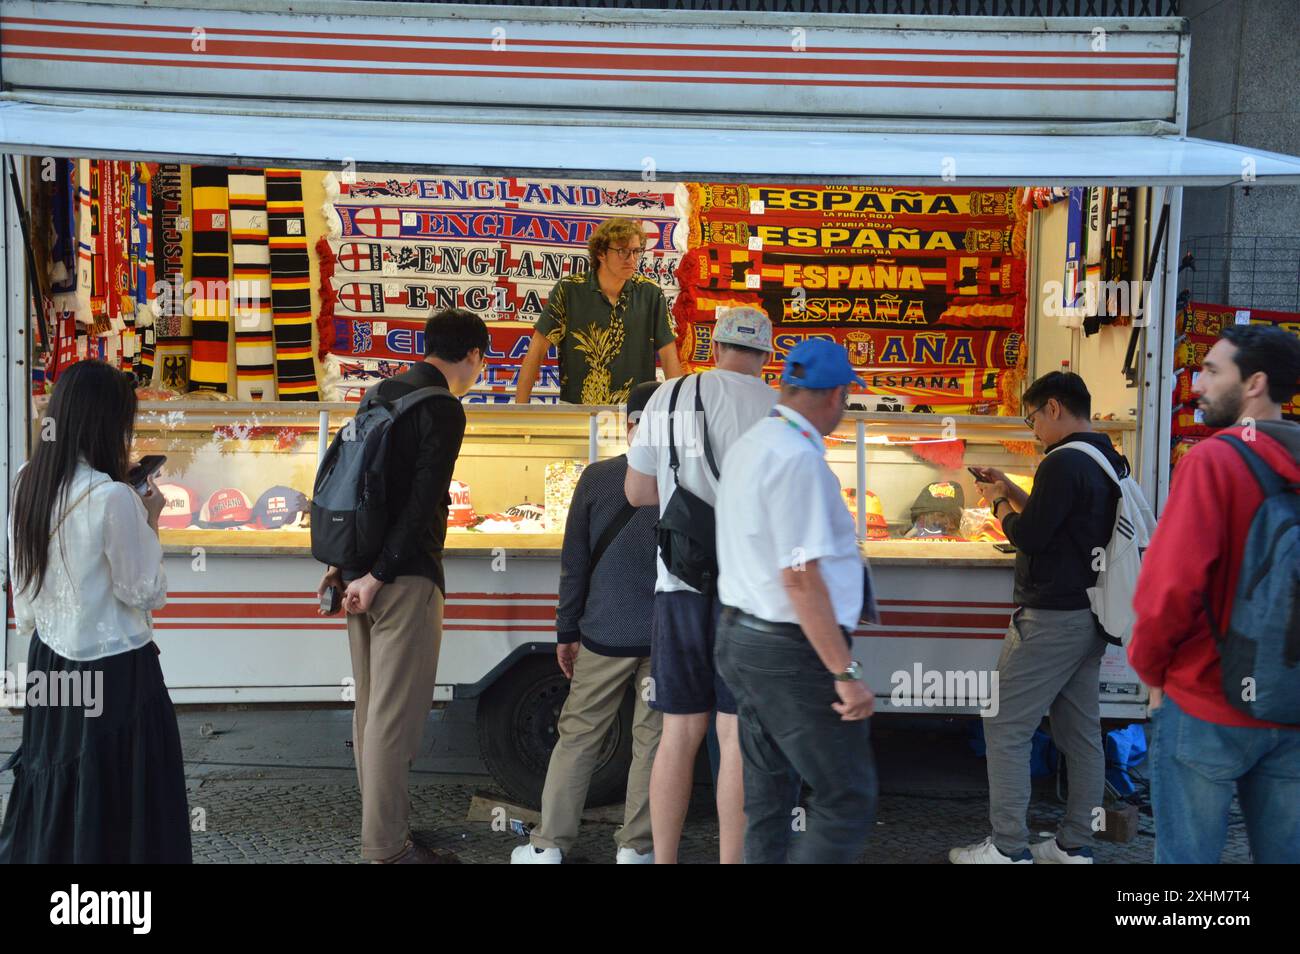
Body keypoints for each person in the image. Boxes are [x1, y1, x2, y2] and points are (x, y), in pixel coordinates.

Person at [0, 360, 191, 863]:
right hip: (115, 670)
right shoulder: (113, 498)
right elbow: (146, 591)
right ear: (109, 424)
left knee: (54, 770)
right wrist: (150, 520)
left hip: (49, 660)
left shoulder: (26, 480)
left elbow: (22, 582)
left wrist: (35, 625)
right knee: (117, 787)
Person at [317, 308, 488, 864]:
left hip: (358, 576)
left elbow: (350, 481)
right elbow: (420, 506)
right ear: (473, 356)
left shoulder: (383, 394)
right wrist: (382, 573)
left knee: (370, 711)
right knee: (394, 719)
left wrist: (349, 568)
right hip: (402, 580)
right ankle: (386, 849)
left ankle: (386, 833)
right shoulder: (443, 408)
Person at [1130, 324, 1300, 864]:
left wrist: (1151, 673)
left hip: (1207, 698)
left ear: (1255, 384)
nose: (1196, 382)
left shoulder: (1213, 462)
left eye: (1210, 371)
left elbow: (1169, 588)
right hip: (1292, 700)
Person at [714, 338, 877, 864]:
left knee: (769, 797)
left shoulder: (753, 442)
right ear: (833, 395)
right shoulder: (797, 459)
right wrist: (845, 672)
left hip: (740, 635)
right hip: (788, 650)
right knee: (846, 796)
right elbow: (801, 578)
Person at [624, 305, 777, 864]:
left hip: (681, 585)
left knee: (678, 732)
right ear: (766, 354)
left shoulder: (668, 397)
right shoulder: (783, 410)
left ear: (714, 349)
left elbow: (637, 492)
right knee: (736, 737)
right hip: (752, 596)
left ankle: (663, 859)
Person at [952, 370, 1124, 865]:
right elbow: (1055, 523)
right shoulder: (1105, 456)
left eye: (1032, 420)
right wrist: (1011, 488)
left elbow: (1028, 536)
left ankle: (1008, 848)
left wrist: (999, 502)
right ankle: (1075, 844)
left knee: (1004, 724)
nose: (1033, 432)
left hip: (1051, 616)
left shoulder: (1062, 461)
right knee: (1080, 733)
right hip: (1091, 612)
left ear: (1053, 407)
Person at [512, 382, 663, 864]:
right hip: (666, 637)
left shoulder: (598, 478)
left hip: (604, 634)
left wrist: (566, 632)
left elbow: (574, 563)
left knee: (578, 737)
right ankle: (637, 850)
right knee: (652, 743)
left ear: (627, 424)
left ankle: (549, 845)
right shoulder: (688, 480)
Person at [515, 217, 681, 405]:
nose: (632, 259)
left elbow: (669, 356)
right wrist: (519, 413)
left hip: (635, 415)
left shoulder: (650, 293)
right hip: (576, 413)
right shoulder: (569, 290)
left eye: (636, 251)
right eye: (623, 251)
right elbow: (536, 353)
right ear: (601, 253)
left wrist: (681, 413)